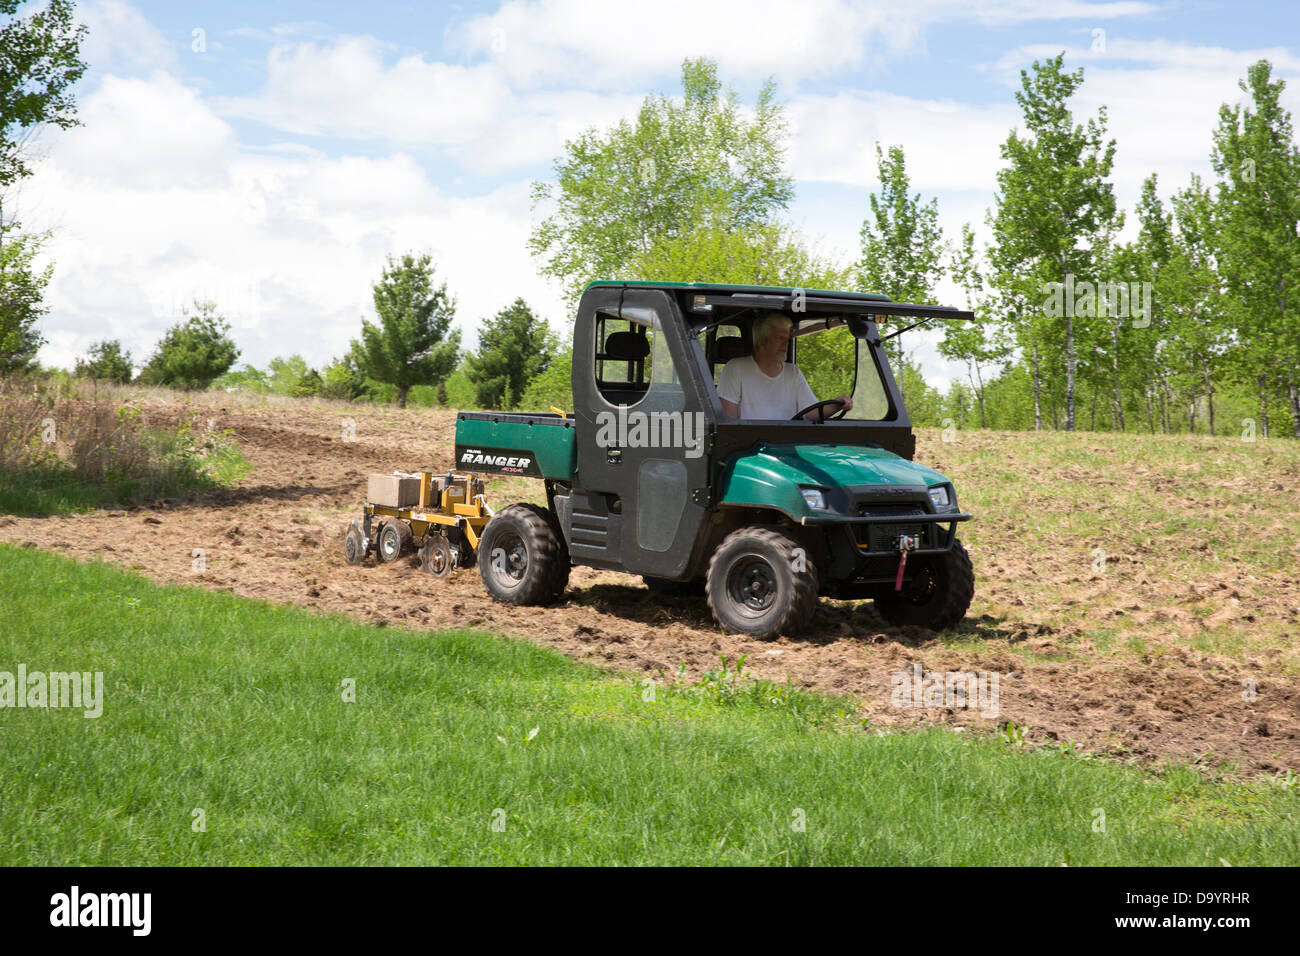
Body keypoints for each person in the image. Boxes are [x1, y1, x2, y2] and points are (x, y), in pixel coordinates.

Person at [717, 311, 853, 420]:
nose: (786, 344)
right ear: (761, 341)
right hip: (750, 448)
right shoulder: (736, 368)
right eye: (780, 338)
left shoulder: (793, 372)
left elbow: (811, 413)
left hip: (785, 445)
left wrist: (838, 403)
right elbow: (729, 424)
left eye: (787, 339)